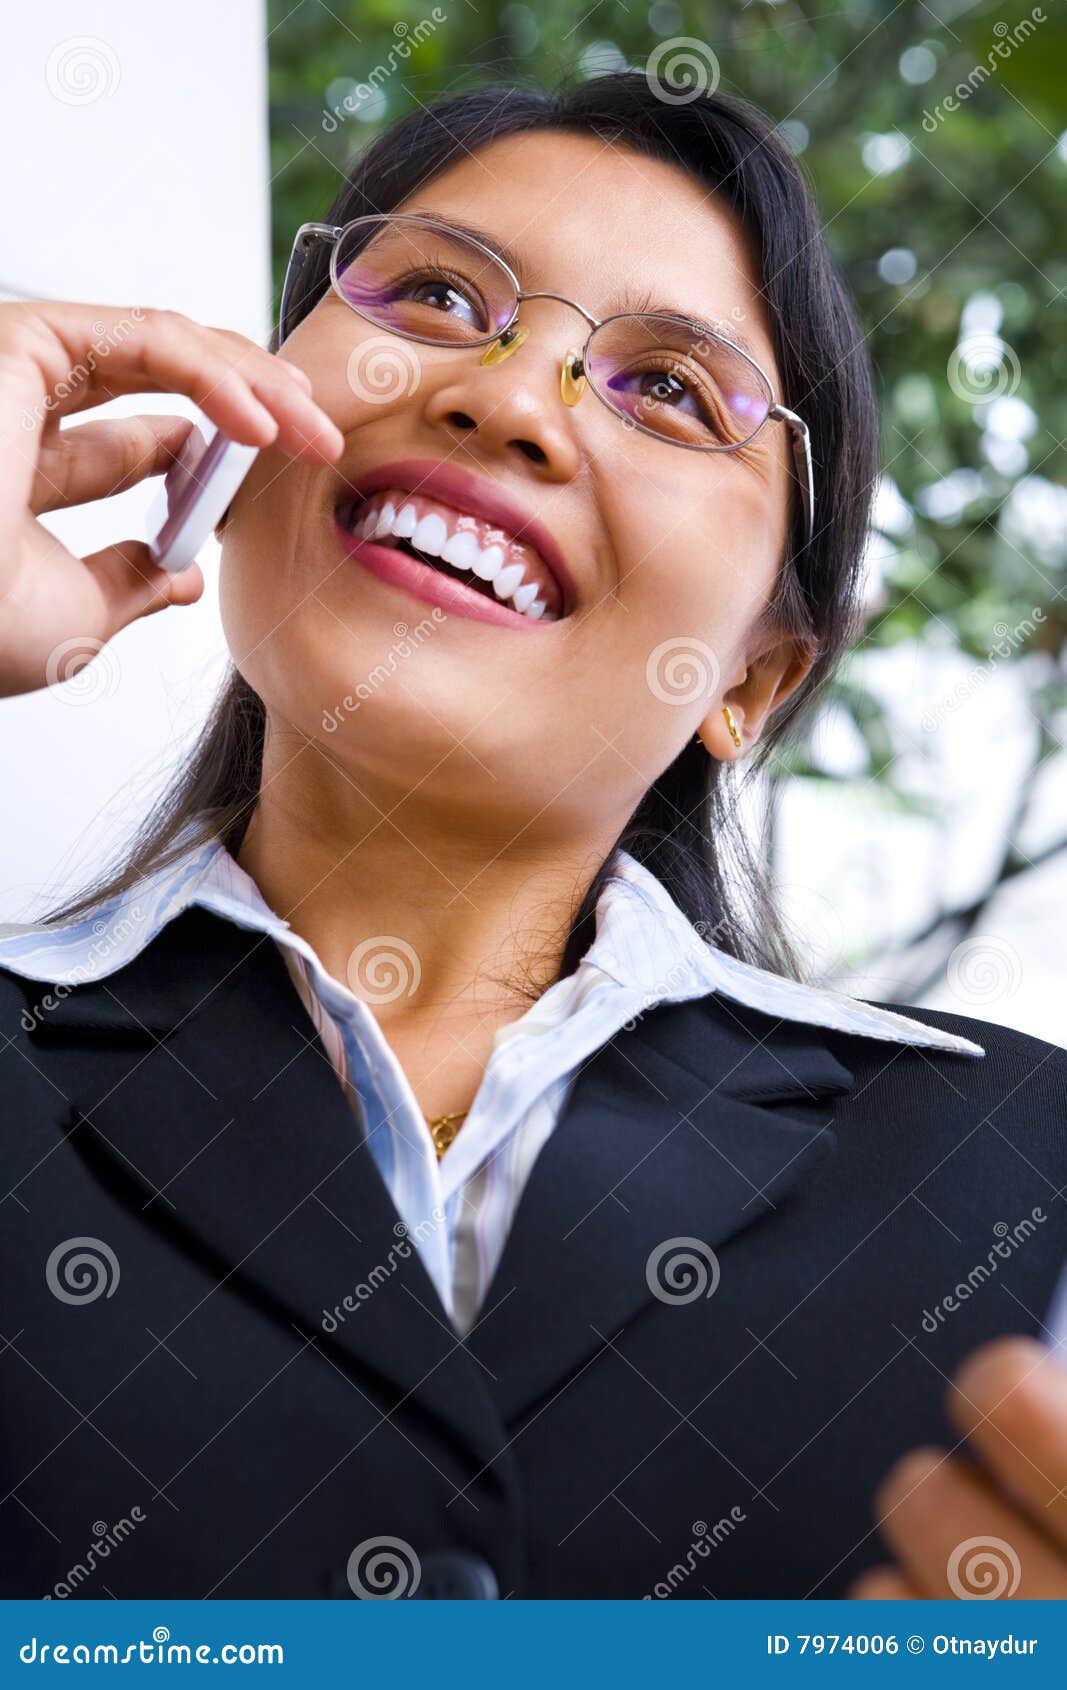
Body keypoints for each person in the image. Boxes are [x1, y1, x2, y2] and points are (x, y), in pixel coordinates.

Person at [0, 73, 1064, 1601]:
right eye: (436, 294)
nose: (506, 400)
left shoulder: (1027, 1178)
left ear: (752, 681)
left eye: (671, 388)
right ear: (242, 440)